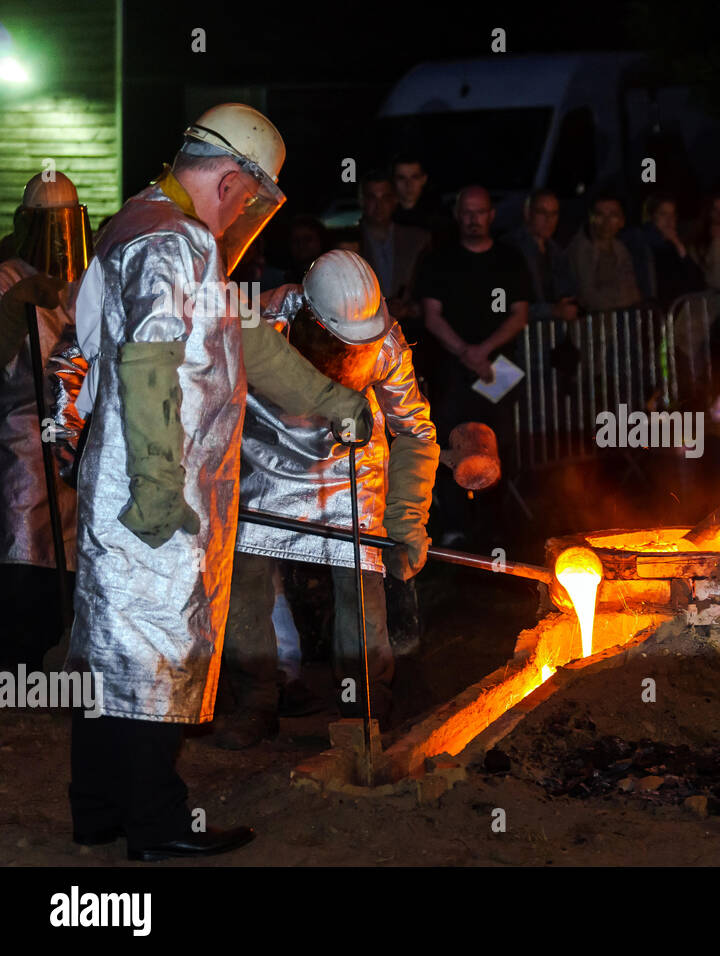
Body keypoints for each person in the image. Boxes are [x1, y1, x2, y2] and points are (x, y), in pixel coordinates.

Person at [65, 103, 374, 861]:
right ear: (234, 180)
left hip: (131, 472)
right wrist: (159, 494)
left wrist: (336, 401)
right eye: (246, 199)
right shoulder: (177, 242)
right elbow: (146, 367)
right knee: (151, 651)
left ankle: (98, 810)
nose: (242, 213)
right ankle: (157, 826)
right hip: (153, 479)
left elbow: (240, 340)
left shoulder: (137, 222)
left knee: (116, 645)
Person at [216, 251, 438, 748]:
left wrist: (404, 520)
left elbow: (414, 431)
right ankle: (255, 702)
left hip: (350, 475)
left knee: (361, 594)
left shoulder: (387, 345)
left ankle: (364, 707)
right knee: (245, 586)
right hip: (264, 470)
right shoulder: (262, 324)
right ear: (309, 319)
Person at [0, 171, 87, 671]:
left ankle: (59, 652)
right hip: (24, 436)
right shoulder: (9, 277)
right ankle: (20, 665)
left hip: (76, 439)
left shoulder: (84, 280)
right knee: (26, 543)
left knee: (72, 553)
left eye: (65, 224)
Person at [415, 185, 529, 546]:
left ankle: (494, 521)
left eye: (479, 212)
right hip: (452, 371)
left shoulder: (510, 259)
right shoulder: (438, 259)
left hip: (499, 370)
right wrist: (466, 352)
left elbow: (519, 315)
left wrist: (484, 352)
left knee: (499, 441)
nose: (473, 219)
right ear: (457, 215)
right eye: (467, 212)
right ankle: (454, 526)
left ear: (491, 215)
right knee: (453, 443)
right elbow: (432, 316)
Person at [359, 171, 431, 329]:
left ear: (395, 200)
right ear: (362, 201)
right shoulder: (350, 242)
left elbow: (432, 288)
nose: (379, 206)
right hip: (364, 332)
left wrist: (409, 309)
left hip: (410, 332)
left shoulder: (418, 240)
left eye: (385, 197)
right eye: (372, 197)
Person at [508, 188, 579, 322]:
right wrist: (552, 310)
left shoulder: (556, 251)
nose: (549, 220)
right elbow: (506, 304)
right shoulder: (511, 249)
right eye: (542, 212)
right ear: (528, 213)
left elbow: (568, 291)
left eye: (554, 214)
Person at [624, 193, 705, 308]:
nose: (669, 220)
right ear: (652, 216)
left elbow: (697, 281)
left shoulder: (674, 244)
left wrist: (678, 245)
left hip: (679, 310)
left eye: (673, 215)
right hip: (654, 310)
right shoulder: (640, 242)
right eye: (663, 214)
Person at [567, 194, 641, 312]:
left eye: (613, 215)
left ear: (622, 221)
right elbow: (587, 296)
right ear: (591, 218)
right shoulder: (581, 249)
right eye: (600, 215)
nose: (606, 222)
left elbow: (633, 289)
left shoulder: (620, 248)